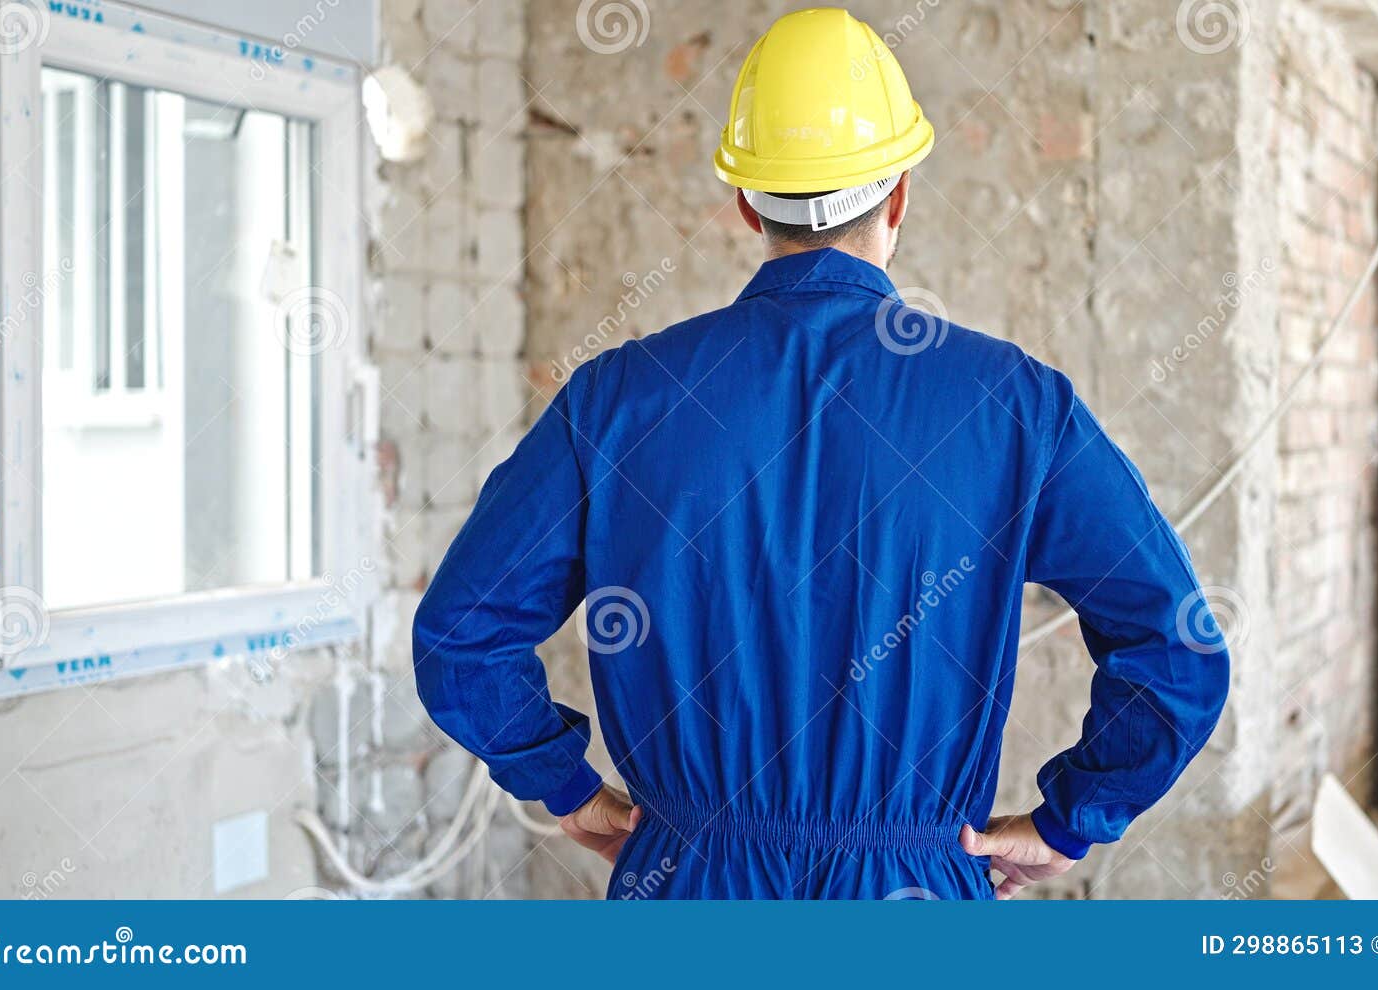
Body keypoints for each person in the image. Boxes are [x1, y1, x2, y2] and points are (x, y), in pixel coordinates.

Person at [413, 8, 1230, 900]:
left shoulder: (618, 400)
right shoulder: (1014, 405)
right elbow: (1177, 648)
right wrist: (1073, 817)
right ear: (901, 195)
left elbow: (462, 636)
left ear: (744, 202)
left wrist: (564, 786)